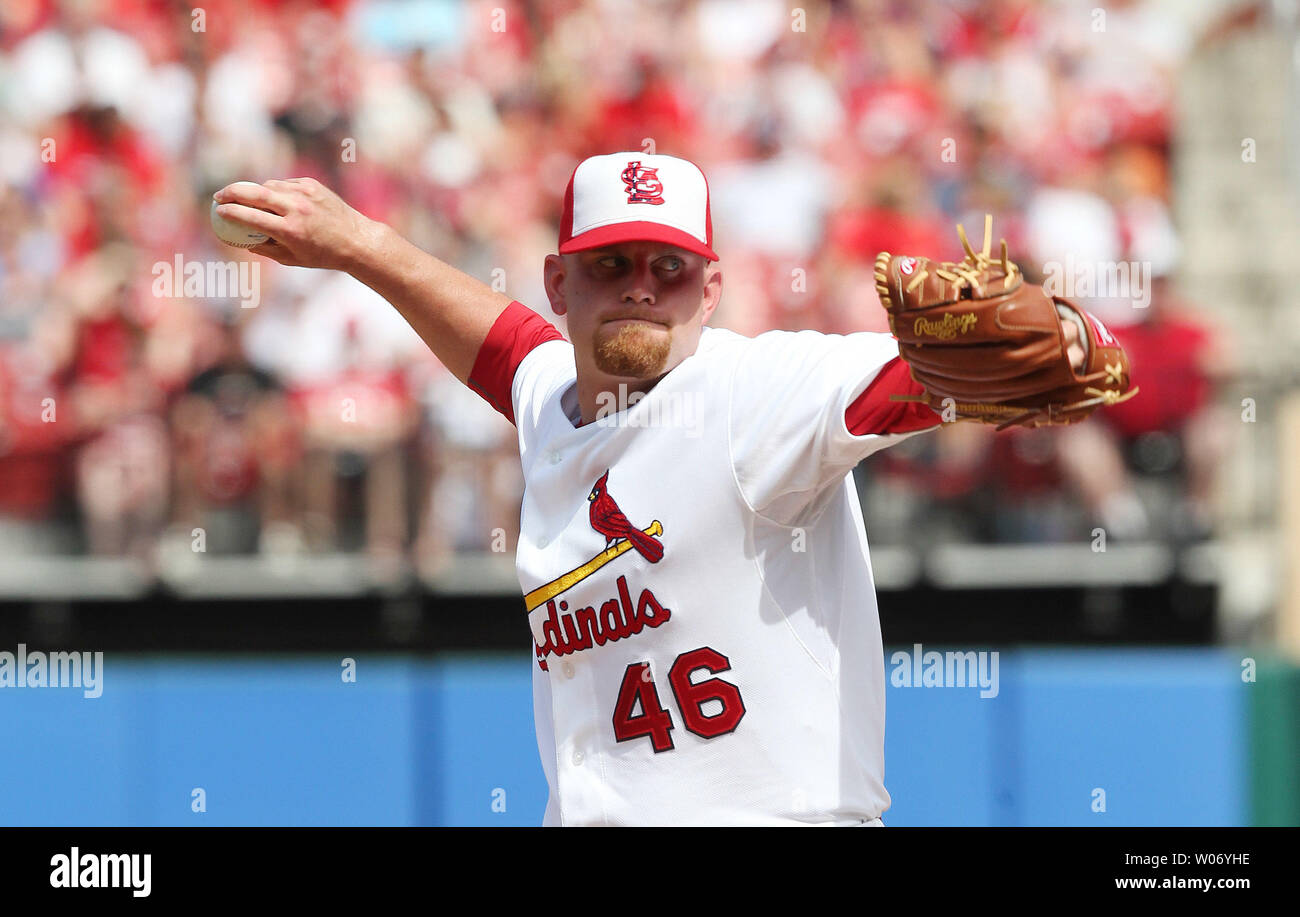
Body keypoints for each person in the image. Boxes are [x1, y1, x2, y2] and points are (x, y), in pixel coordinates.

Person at [213, 151, 1088, 826]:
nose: (639, 287)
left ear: (711, 292)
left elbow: (902, 385)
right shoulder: (552, 398)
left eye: (668, 268)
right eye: (610, 263)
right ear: (560, 282)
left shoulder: (754, 394)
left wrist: (1059, 341)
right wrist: (359, 245)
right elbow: (505, 347)